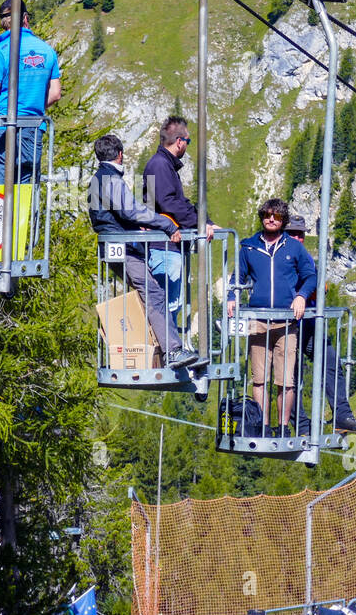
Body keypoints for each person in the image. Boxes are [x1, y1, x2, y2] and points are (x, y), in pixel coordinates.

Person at [89, 134, 200, 370]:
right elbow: (132, 211)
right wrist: (166, 224)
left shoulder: (98, 179)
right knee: (154, 294)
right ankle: (172, 352)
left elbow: (116, 215)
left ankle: (158, 351)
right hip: (124, 249)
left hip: (115, 246)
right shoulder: (109, 179)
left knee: (148, 294)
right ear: (120, 154)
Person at [227, 199, 315, 437]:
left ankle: (283, 428)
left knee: (285, 381)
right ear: (262, 217)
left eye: (276, 216)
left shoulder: (294, 248)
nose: (271, 219)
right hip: (258, 321)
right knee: (259, 378)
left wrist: (301, 296)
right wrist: (231, 296)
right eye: (267, 215)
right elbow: (238, 276)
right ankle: (263, 427)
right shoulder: (249, 246)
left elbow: (310, 275)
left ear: (283, 220)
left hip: (287, 324)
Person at [285, 214, 356, 434]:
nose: (297, 238)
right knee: (292, 373)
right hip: (287, 325)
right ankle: (301, 425)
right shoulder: (281, 259)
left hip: (309, 322)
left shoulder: (306, 259)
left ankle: (342, 416)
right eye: (292, 233)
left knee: (330, 361)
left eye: (300, 234)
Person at [142, 115, 220, 327]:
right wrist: (199, 224)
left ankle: (168, 353)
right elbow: (170, 203)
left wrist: (206, 221)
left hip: (165, 247)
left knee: (168, 305)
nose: (187, 145)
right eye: (188, 141)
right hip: (163, 247)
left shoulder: (160, 165)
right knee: (166, 306)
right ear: (179, 141)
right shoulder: (160, 165)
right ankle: (168, 355)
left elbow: (178, 202)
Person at [0, 0, 61, 184]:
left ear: (3, 23)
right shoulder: (47, 51)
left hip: (2, 128)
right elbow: (55, 93)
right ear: (25, 19)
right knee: (25, 190)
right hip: (33, 129)